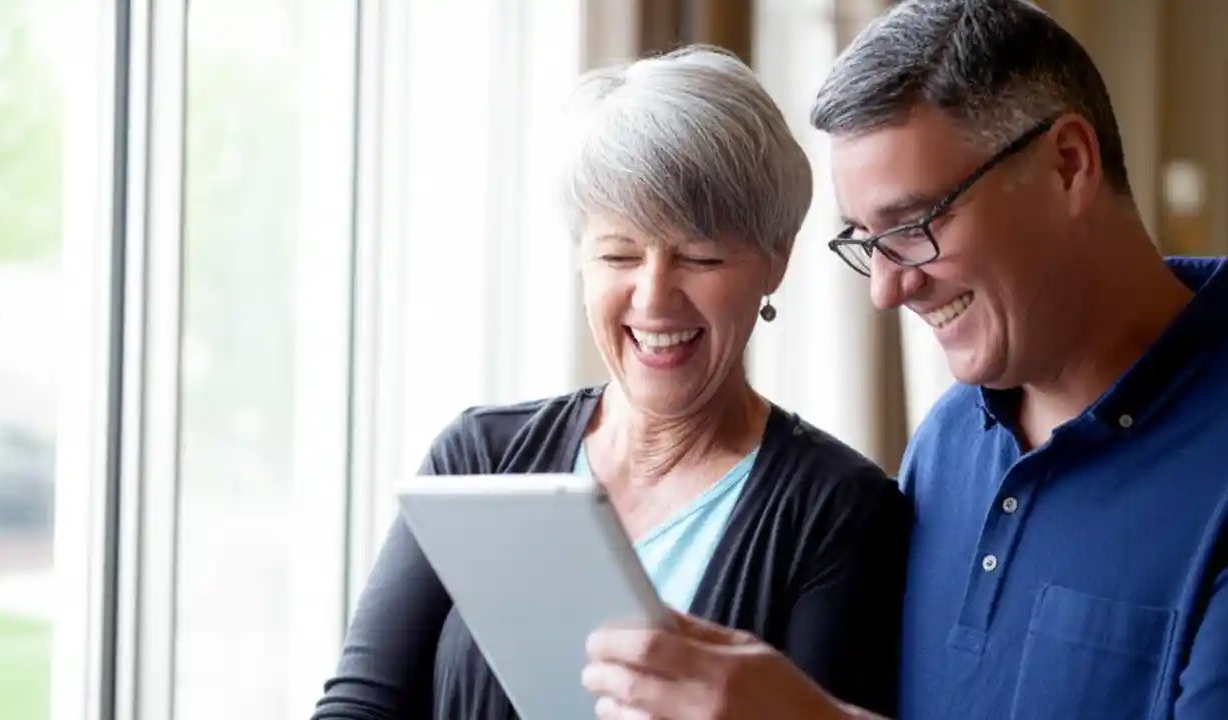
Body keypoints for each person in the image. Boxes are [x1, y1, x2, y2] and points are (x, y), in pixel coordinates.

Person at [583, 1, 1228, 719]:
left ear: (1067, 166)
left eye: (915, 225)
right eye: (865, 240)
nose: (888, 289)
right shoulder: (948, 444)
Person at [312, 45, 911, 720]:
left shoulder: (839, 514)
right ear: (580, 260)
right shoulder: (480, 458)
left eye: (699, 256)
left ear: (776, 260)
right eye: (618, 254)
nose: (654, 299)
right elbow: (359, 708)